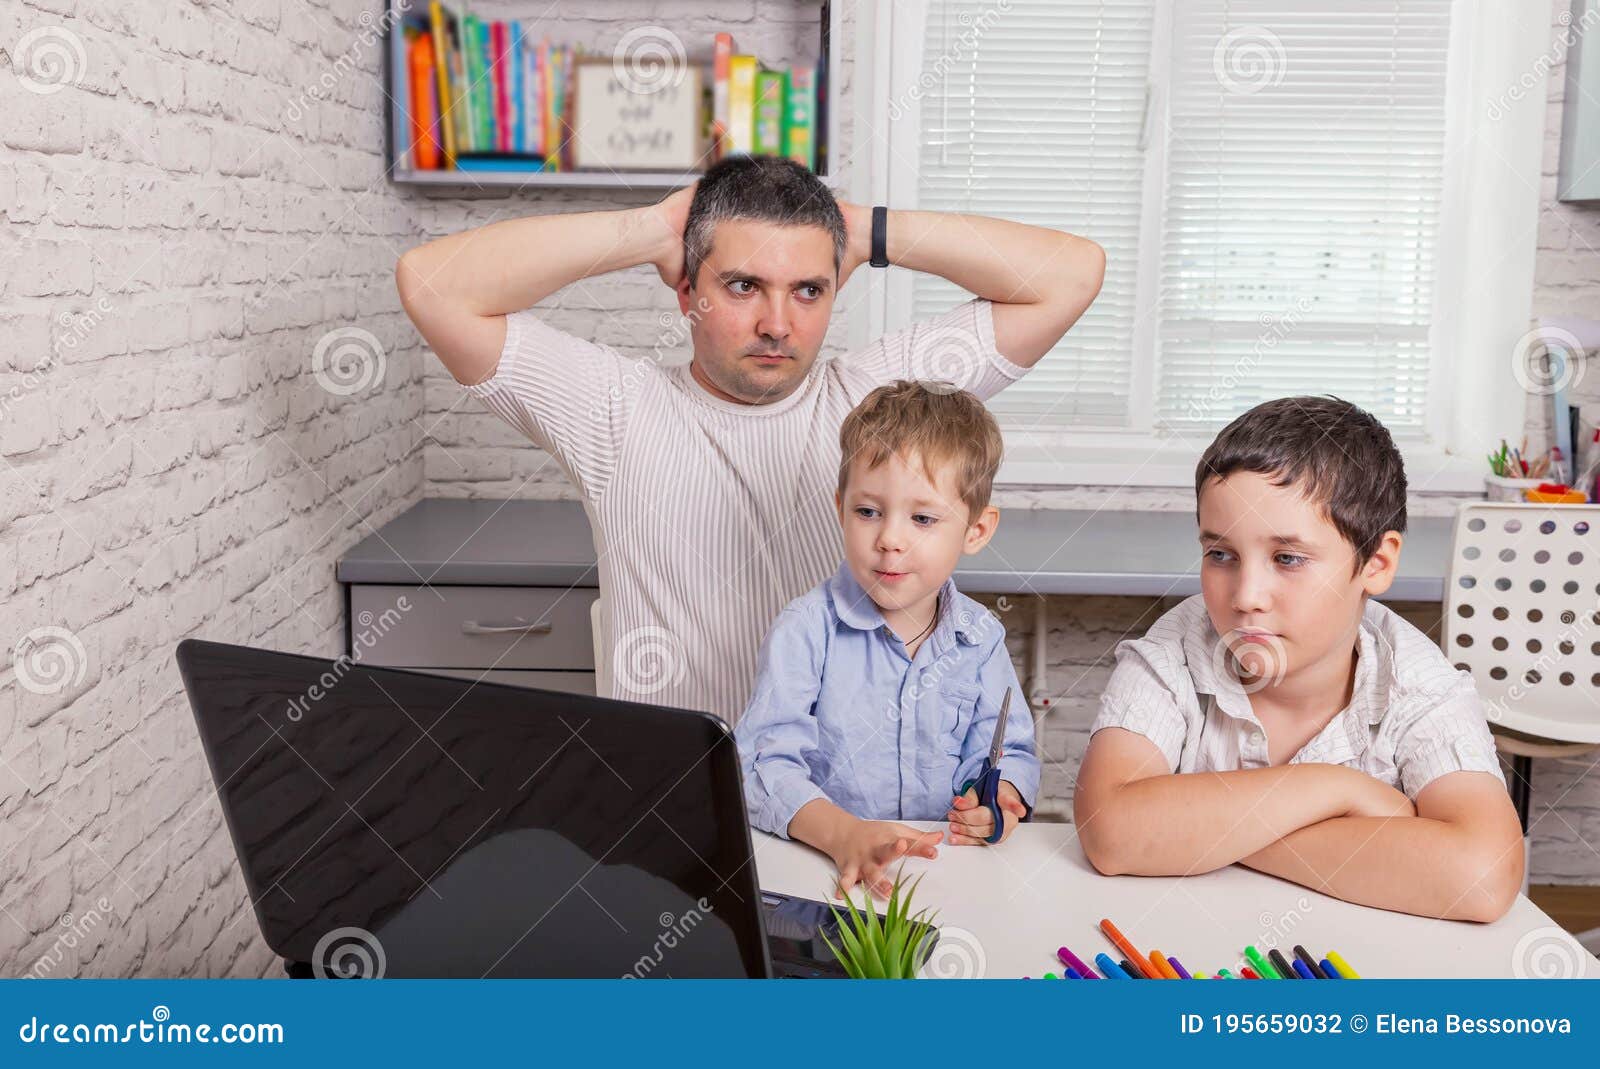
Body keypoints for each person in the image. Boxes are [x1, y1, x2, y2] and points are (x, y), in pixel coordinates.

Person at [395, 154, 1105, 721]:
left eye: (808, 290)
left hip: (837, 813)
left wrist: (862, 230)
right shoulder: (613, 408)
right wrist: (652, 229)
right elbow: (430, 283)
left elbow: (1072, 275)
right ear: (687, 290)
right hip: (673, 803)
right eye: (743, 286)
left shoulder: (873, 405)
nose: (777, 324)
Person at [1073, 396, 1523, 922]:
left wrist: (1199, 835)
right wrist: (1339, 789)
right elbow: (1109, 832)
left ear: (1376, 563)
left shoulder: (1420, 684)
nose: (1246, 596)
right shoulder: (1175, 651)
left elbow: (1481, 878)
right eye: (1220, 554)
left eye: (1287, 558)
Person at [736, 382, 1038, 897]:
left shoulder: (980, 637)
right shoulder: (805, 630)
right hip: (824, 872)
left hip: (947, 873)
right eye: (868, 511)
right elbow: (763, 766)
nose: (890, 539)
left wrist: (997, 802)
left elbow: (1006, 750)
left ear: (976, 531)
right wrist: (843, 834)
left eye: (922, 518)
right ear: (840, 508)